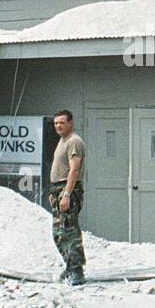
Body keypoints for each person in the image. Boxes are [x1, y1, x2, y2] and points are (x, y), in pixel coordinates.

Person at [48, 109, 87, 285]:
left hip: (67, 189)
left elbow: (74, 170)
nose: (58, 126)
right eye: (56, 123)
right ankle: (70, 265)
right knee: (59, 232)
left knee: (68, 231)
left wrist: (66, 195)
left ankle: (77, 270)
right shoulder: (63, 141)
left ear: (71, 123)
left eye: (62, 122)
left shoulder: (74, 141)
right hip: (59, 189)